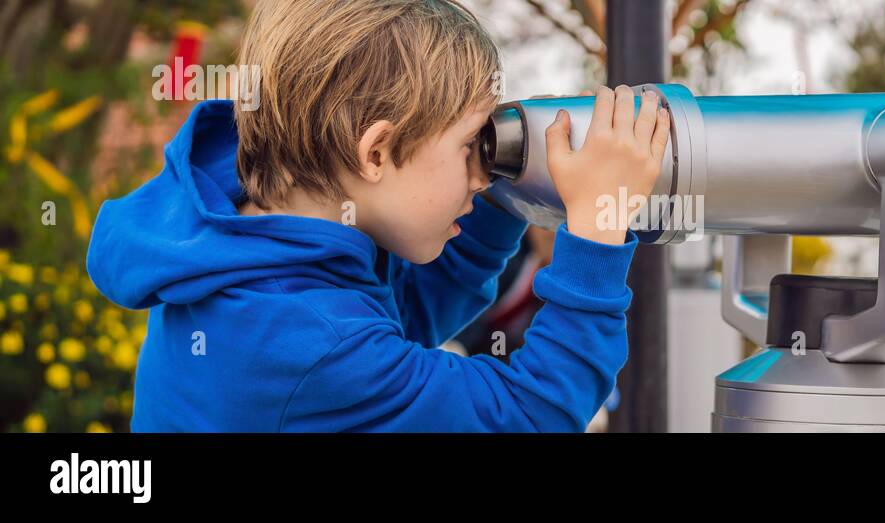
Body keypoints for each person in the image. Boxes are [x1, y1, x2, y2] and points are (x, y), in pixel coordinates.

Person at [85, 0, 670, 432]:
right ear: (375, 152)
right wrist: (597, 226)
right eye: (471, 146)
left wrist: (514, 188)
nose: (480, 170)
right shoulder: (304, 338)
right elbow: (527, 415)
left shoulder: (249, 246)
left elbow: (408, 312)